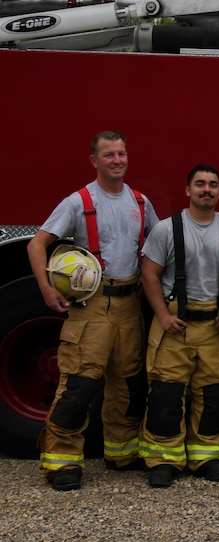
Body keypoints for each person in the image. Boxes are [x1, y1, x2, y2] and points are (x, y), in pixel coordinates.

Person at [27, 131, 160, 491]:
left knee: (128, 385)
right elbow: (38, 244)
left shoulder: (141, 202)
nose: (116, 160)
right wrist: (45, 287)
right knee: (80, 385)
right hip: (92, 306)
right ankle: (61, 460)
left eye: (121, 154)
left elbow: (157, 250)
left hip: (130, 304)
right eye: (108, 155)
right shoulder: (78, 201)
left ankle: (121, 452)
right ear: (94, 161)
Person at [140, 164, 219, 487]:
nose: (207, 189)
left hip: (214, 327)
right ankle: (163, 459)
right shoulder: (166, 229)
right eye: (200, 184)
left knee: (214, 394)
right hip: (175, 324)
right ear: (187, 190)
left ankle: (207, 455)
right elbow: (150, 274)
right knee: (166, 393)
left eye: (213, 185)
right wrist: (162, 315)